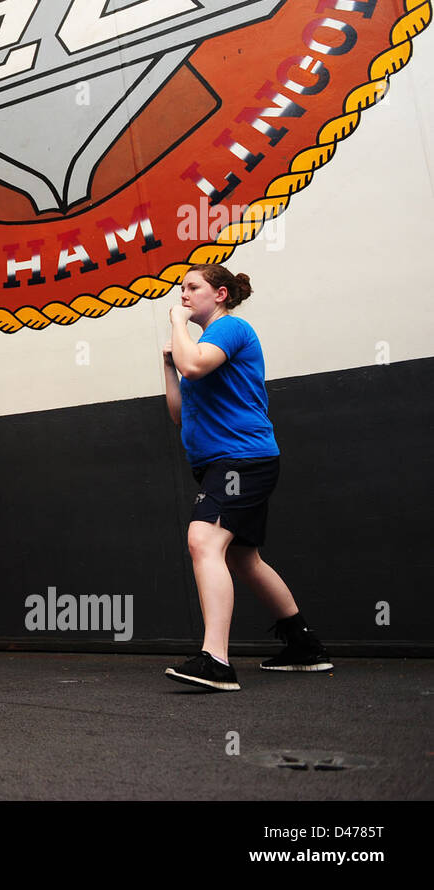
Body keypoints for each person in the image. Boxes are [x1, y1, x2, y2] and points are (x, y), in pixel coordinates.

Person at [161, 265, 330, 692]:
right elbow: (180, 413)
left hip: (240, 461)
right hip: (221, 463)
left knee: (203, 540)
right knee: (242, 558)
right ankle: (303, 644)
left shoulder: (232, 329)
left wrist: (178, 327)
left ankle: (215, 660)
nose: (183, 295)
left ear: (220, 295)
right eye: (180, 289)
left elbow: (195, 367)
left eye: (192, 287)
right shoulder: (201, 346)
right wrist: (168, 365)